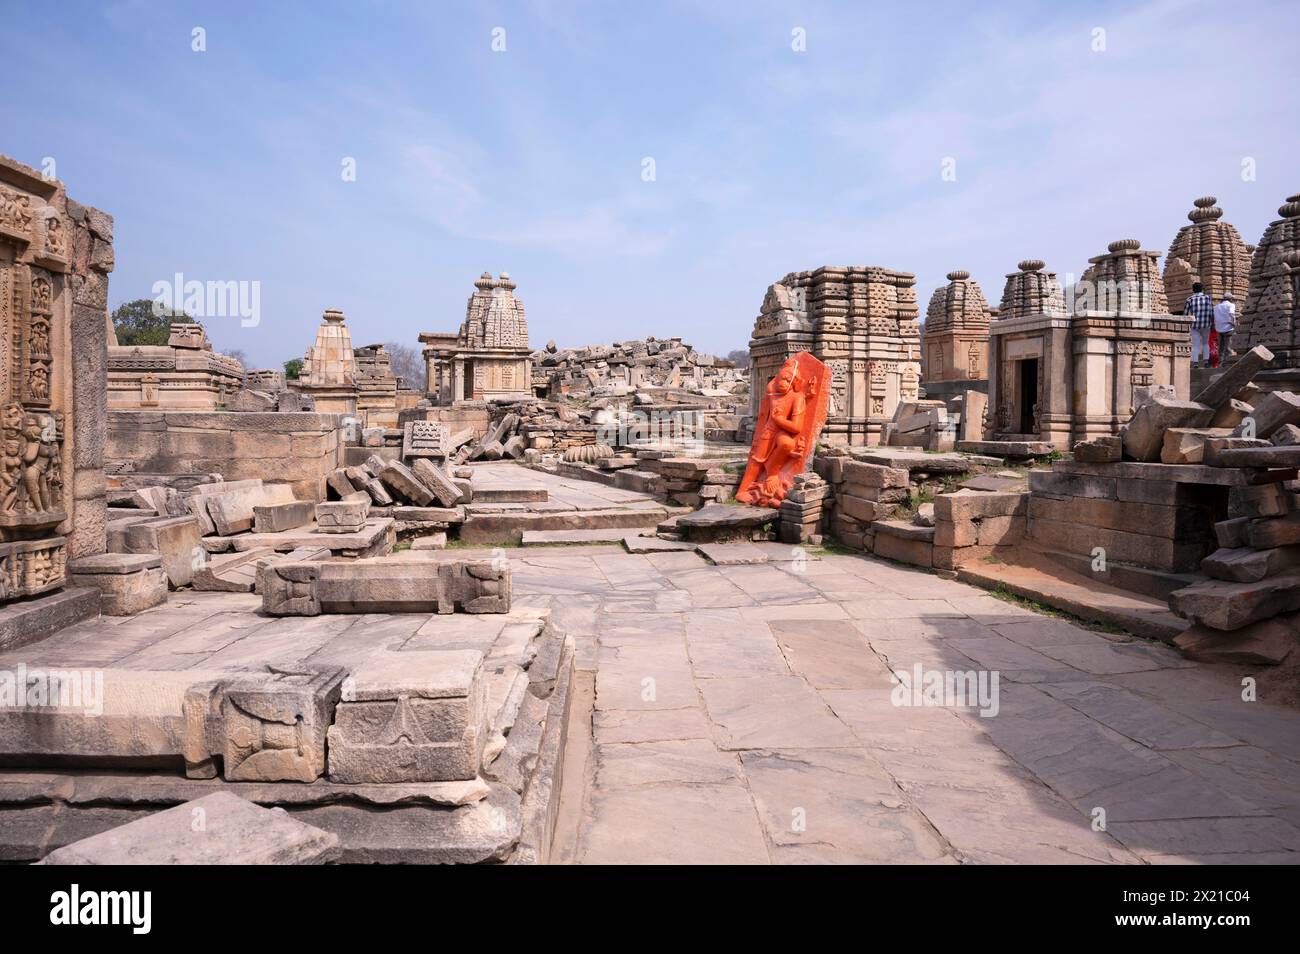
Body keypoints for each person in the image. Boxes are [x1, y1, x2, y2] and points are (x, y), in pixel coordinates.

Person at [1183, 282, 1214, 368]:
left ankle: (1195, 362)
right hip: (1206, 324)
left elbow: (1185, 314)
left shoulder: (1189, 299)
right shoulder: (1208, 298)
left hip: (1194, 325)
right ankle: (1206, 361)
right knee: (1205, 343)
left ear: (1193, 290)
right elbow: (1211, 312)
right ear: (1202, 289)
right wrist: (1212, 324)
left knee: (1195, 344)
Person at [1213, 292, 1237, 367]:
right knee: (1228, 347)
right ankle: (1227, 363)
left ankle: (1220, 363)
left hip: (1219, 328)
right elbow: (1231, 314)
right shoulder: (1231, 305)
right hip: (1228, 328)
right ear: (1230, 299)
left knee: (1221, 347)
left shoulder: (1216, 307)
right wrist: (1234, 323)